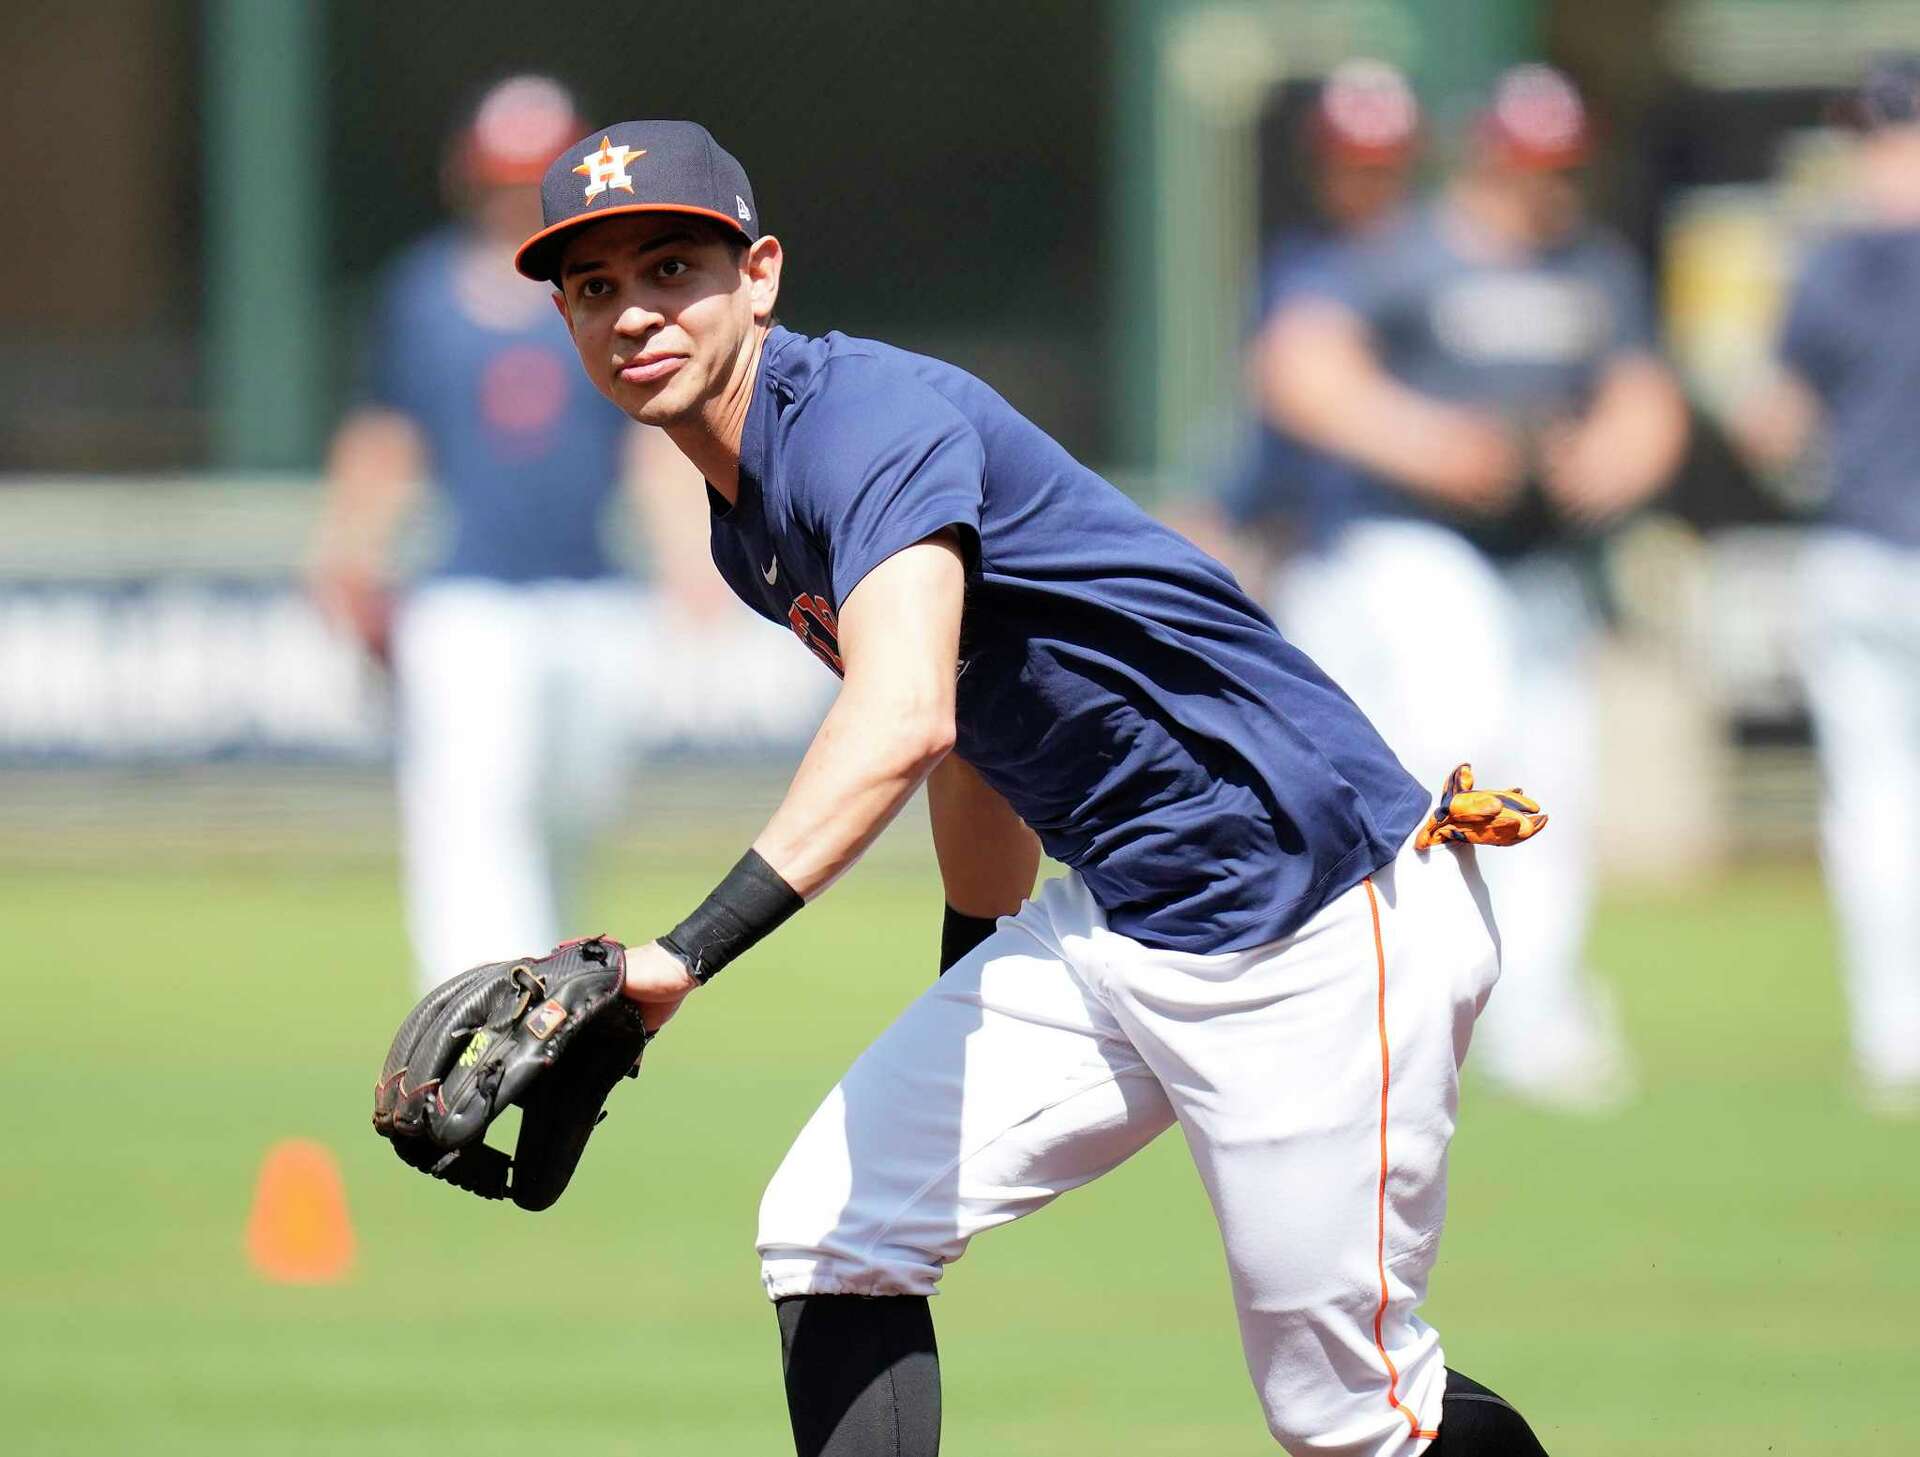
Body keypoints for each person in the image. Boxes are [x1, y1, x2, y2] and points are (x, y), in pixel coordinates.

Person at [515, 119, 1553, 1455]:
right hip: (1127, 905)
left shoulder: (859, 424)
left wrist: (683, 955)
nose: (633, 313)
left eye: (672, 269)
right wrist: (971, 975)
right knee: (832, 1233)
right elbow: (973, 737)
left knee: (1348, 1412)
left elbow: (904, 716)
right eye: (594, 287)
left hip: (1307, 906)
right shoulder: (746, 509)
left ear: (759, 276)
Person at [1254, 65, 1690, 1112]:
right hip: (1413, 546)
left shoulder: (1594, 267)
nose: (1546, 183)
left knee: (1550, 779)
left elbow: (1646, 397)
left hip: (1541, 558)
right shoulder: (1403, 250)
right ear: (1484, 155)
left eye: (1563, 163)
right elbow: (1298, 366)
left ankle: (1533, 1009)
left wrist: (1616, 457)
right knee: (1454, 744)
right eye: (1527, 161)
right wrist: (1431, 442)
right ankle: (1384, 987)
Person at [307, 77, 708, 989]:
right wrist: (349, 554)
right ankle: (475, 1008)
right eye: (503, 179)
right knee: (472, 812)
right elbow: (387, 436)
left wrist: (691, 557)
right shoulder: (423, 294)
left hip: (595, 594)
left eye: (534, 179)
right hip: (466, 598)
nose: (515, 198)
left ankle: (551, 997)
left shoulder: (608, 291)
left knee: (573, 813)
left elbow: (650, 438)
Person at [1734, 55, 1920, 1117]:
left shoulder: (1834, 260)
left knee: (1877, 807)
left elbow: (1772, 423)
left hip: (1858, 551)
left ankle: (1895, 1040)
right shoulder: (1833, 258)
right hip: (1863, 555)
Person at [1206, 59, 1423, 581]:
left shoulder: (1441, 256)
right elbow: (1286, 395)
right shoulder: (1301, 265)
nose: (1364, 183)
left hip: (1430, 532)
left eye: (1380, 166)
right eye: (1347, 164)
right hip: (1321, 540)